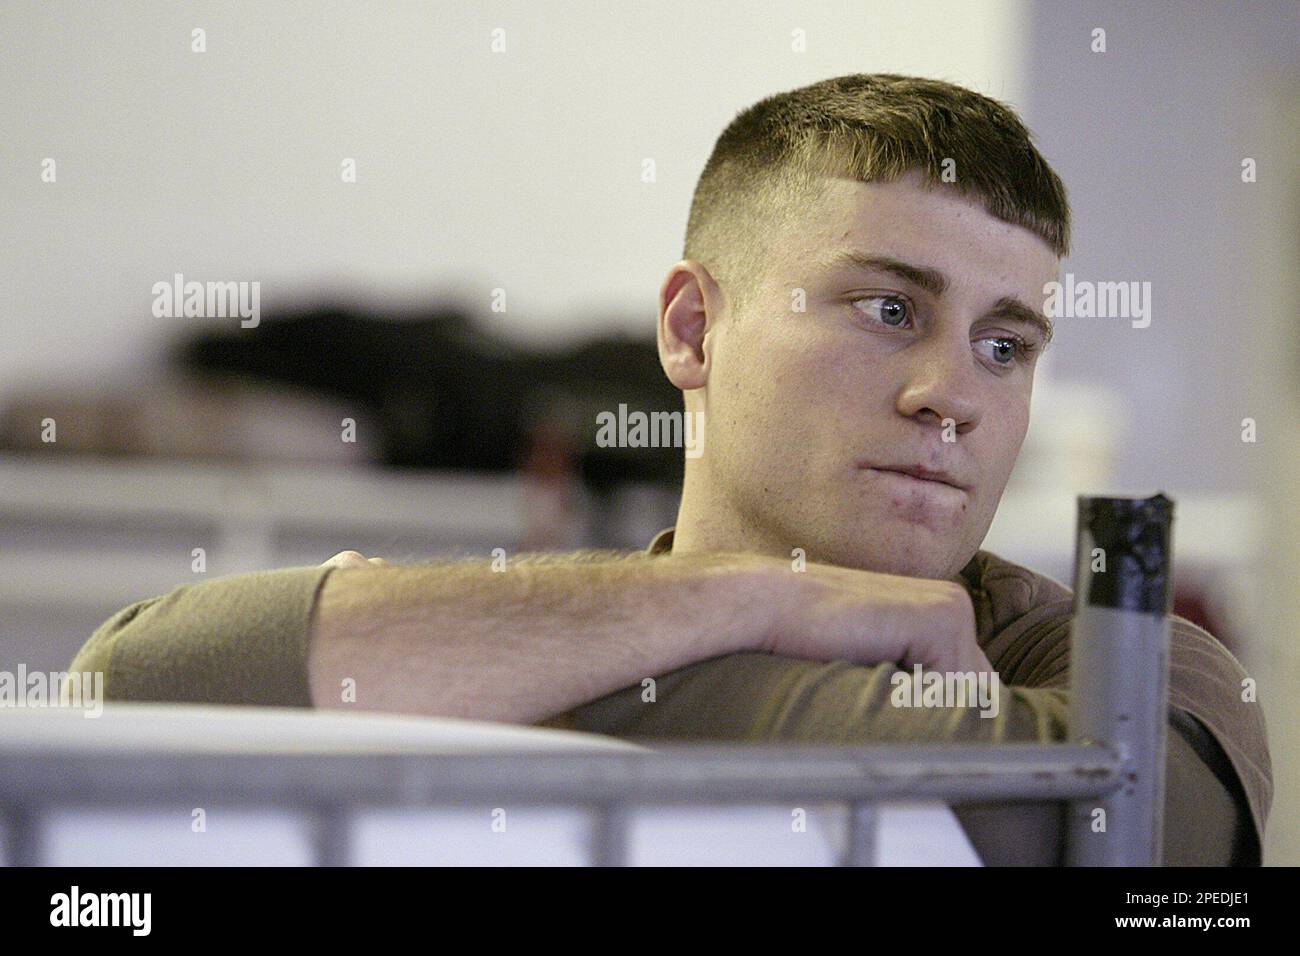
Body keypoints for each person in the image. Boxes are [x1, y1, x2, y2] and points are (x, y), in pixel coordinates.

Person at [68, 74, 1271, 865]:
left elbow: (1102, 831)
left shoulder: (1128, 674)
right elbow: (134, 680)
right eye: (889, 308)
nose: (952, 393)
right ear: (693, 329)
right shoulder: (574, 609)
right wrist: (760, 595)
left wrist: (439, 671)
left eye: (1005, 344)